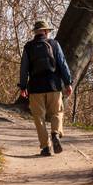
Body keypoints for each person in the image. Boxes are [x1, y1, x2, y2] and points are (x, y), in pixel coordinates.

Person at [18, 19, 73, 157]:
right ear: (46, 31)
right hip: (54, 86)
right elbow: (62, 63)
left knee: (39, 118)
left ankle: (45, 147)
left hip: (36, 88)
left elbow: (24, 68)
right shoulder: (54, 44)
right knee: (57, 113)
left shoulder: (28, 47)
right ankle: (55, 133)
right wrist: (68, 82)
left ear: (36, 32)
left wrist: (23, 86)